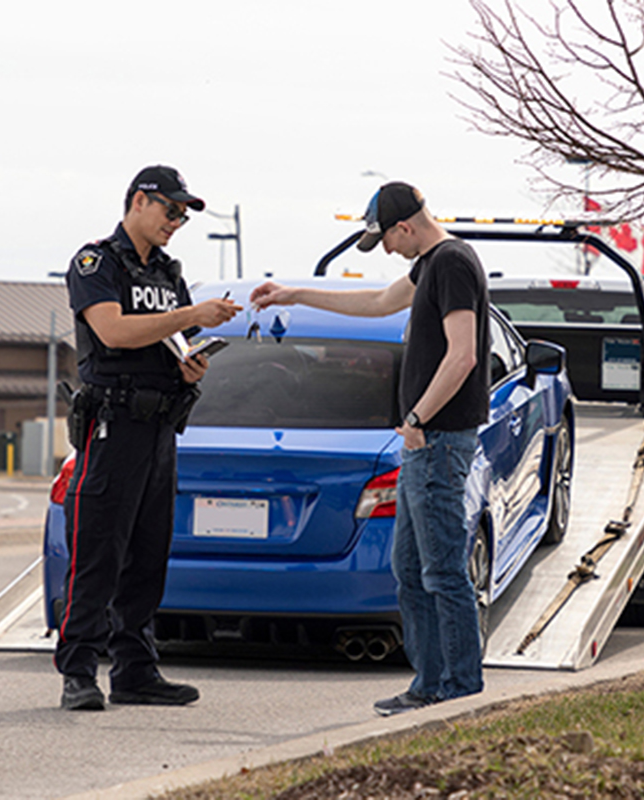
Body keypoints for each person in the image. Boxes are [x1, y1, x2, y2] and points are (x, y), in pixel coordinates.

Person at [251, 181, 489, 716]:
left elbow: (463, 355)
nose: (385, 251)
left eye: (385, 240)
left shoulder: (451, 263)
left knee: (441, 571)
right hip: (424, 443)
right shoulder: (431, 265)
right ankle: (429, 685)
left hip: (438, 440)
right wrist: (295, 294)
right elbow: (379, 302)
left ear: (404, 226)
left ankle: (457, 690)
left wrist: (417, 418)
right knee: (410, 570)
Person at [57, 165, 242, 711]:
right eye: (170, 209)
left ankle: (135, 671)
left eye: (183, 215)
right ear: (139, 201)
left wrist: (191, 363)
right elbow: (113, 330)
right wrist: (191, 313)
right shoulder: (97, 262)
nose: (176, 222)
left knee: (147, 557)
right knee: (98, 554)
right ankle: (78, 672)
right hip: (113, 425)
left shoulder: (166, 273)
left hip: (160, 428)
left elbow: (177, 341)